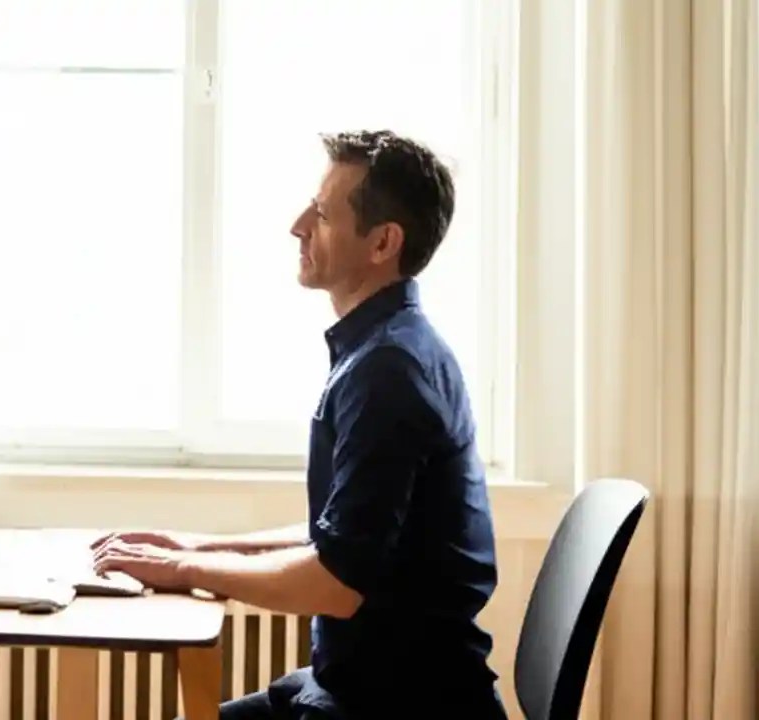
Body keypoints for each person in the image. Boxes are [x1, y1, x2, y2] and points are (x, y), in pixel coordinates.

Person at [92, 129, 505, 720]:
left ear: (383, 242)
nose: (298, 226)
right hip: (358, 690)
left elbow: (336, 583)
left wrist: (182, 570)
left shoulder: (389, 371)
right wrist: (197, 546)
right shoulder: (385, 349)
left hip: (397, 708)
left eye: (324, 215)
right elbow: (340, 538)